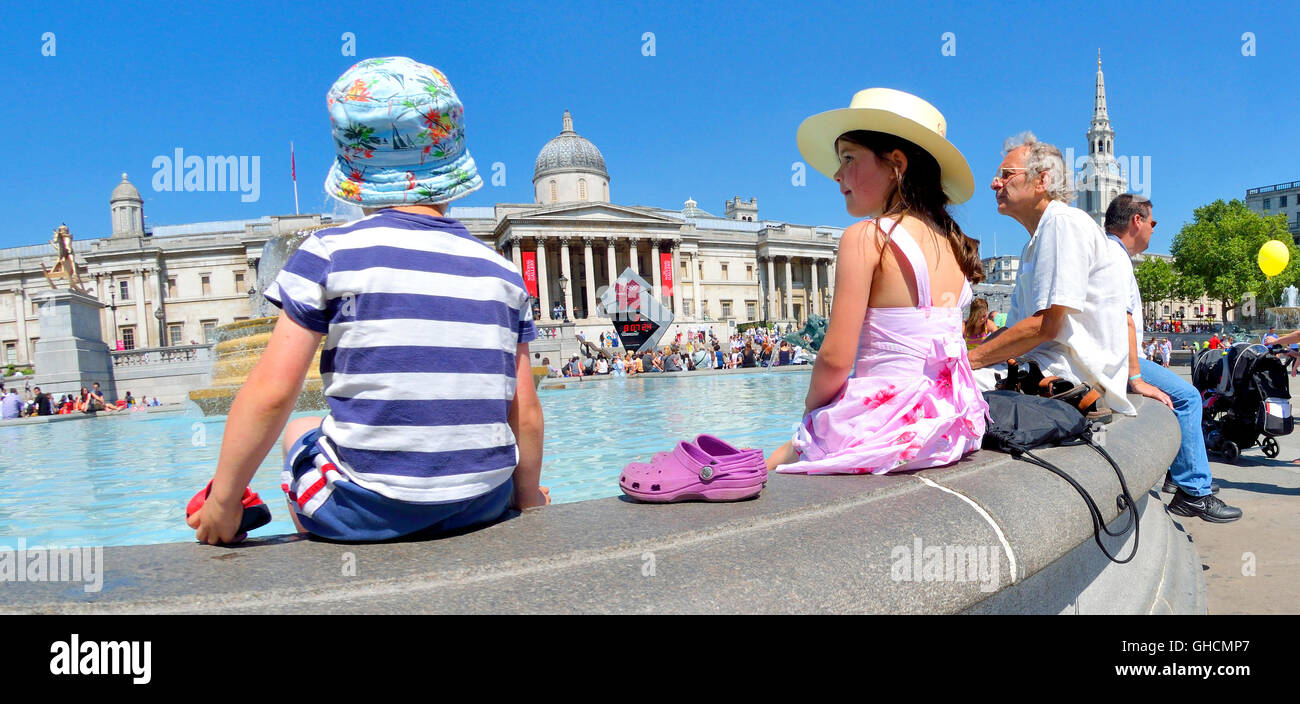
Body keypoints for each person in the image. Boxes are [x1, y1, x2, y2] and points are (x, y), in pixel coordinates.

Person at [188, 57, 548, 546]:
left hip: (365, 511)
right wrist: (525, 497)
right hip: (481, 501)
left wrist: (224, 503)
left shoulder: (328, 253)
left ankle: (303, 517)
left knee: (299, 429)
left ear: (353, 166)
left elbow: (273, 393)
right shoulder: (504, 272)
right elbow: (523, 410)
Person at [767, 87, 986, 473]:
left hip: (889, 425)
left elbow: (836, 359)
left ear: (896, 164)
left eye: (849, 158)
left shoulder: (868, 237)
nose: (837, 174)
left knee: (772, 464)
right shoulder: (952, 243)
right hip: (951, 426)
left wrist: (811, 417)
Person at [968, 132, 1134, 419]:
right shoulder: (1038, 238)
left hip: (1069, 374)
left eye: (1007, 175)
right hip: (1048, 365)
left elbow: (1046, 326)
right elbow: (1020, 327)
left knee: (943, 387)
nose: (995, 183)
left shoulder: (1062, 223)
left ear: (1042, 181)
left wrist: (967, 360)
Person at [1105, 194, 1240, 522]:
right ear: (1136, 221)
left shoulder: (1109, 252)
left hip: (1121, 358)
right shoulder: (1114, 256)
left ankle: (1179, 473)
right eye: (1152, 223)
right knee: (1189, 397)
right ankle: (1193, 490)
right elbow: (1121, 318)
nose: (1153, 230)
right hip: (1122, 362)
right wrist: (1136, 378)